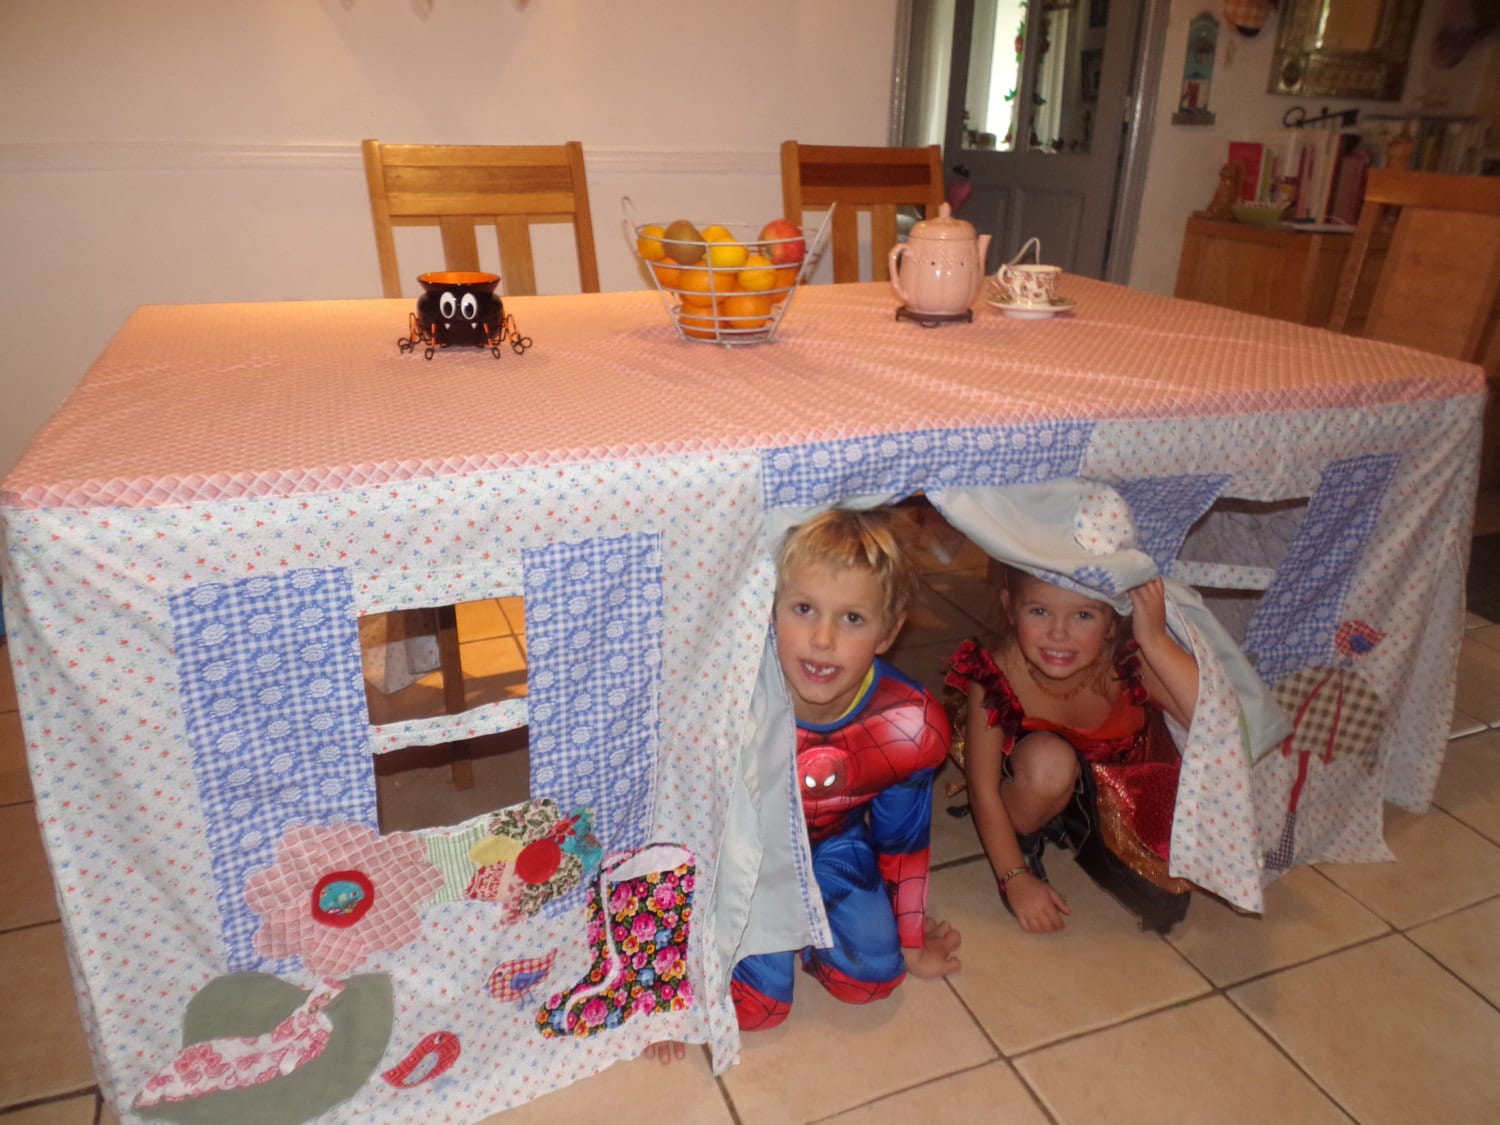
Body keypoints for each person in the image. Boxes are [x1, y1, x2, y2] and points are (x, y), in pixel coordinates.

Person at [729, 507, 962, 1032]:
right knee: (755, 1009)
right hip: (744, 854)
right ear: (769, 609)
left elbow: (905, 842)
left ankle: (810, 935)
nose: (823, 639)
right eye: (804, 609)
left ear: (889, 632)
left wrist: (909, 938)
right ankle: (776, 940)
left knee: (873, 979)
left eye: (852, 618)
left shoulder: (909, 724)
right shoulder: (731, 697)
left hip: (836, 844)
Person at [946, 566, 1199, 935]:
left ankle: (1072, 825)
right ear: (1009, 608)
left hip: (1116, 788)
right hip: (1035, 775)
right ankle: (1026, 833)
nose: (1059, 633)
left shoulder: (1127, 660)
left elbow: (1216, 722)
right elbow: (982, 789)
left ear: (1112, 622)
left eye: (1083, 615)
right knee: (1051, 763)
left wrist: (1155, 640)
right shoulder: (997, 672)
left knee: (1163, 902)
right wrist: (1014, 876)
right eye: (1039, 612)